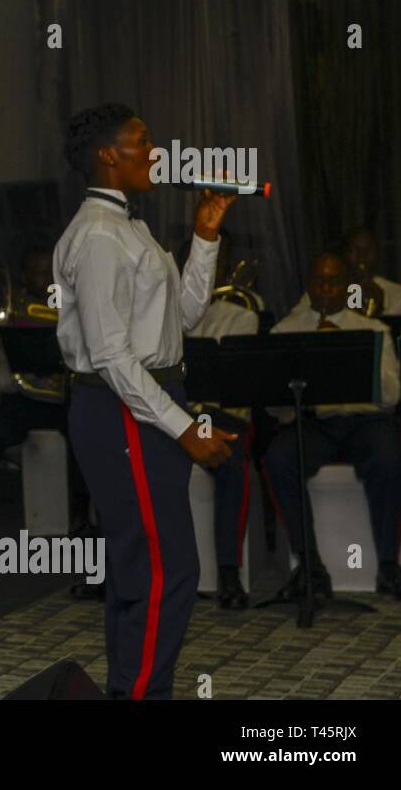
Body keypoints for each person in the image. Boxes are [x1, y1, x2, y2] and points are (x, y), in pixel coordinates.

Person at [54, 102, 237, 699]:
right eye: (142, 141)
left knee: (145, 570)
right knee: (165, 571)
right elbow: (110, 357)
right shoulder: (101, 234)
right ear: (109, 155)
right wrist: (184, 427)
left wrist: (204, 237)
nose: (155, 152)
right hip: (122, 408)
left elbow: (181, 317)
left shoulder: (130, 225)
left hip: (145, 397)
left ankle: (129, 692)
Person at [263, 251, 401, 600]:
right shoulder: (286, 330)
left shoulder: (372, 330)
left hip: (364, 423)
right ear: (308, 285)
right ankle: (310, 567)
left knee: (390, 456)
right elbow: (272, 405)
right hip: (313, 425)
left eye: (334, 281)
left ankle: (388, 565)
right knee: (278, 458)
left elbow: (391, 395)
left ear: (346, 286)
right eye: (318, 281)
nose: (326, 288)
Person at [0, 242, 90, 537]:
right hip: (27, 401)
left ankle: (82, 514)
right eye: (39, 274)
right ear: (24, 278)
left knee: (84, 440)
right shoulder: (12, 313)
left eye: (52, 273)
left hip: (67, 401)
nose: (48, 280)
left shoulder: (77, 309)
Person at [177, 230, 259, 608]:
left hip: (221, 416)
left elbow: (235, 382)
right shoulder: (160, 312)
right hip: (175, 416)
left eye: (215, 264)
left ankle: (228, 572)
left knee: (231, 463)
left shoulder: (242, 314)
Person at [295, 227, 401, 318]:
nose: (362, 256)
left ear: (378, 254)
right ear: (343, 254)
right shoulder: (321, 293)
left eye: (369, 250)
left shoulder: (400, 295)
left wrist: (378, 309)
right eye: (354, 250)